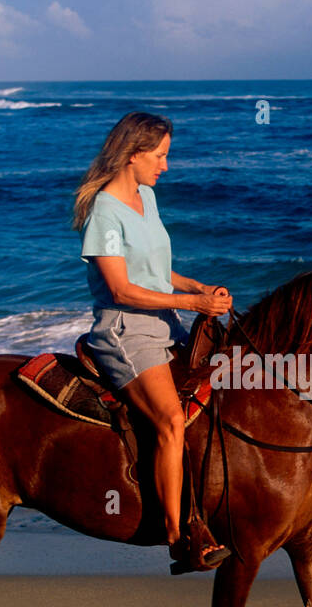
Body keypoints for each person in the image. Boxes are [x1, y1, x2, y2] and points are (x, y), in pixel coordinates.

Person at [71, 111, 233, 573]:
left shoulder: (147, 196)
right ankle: (178, 536)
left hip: (165, 321)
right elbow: (121, 289)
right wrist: (192, 303)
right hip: (125, 330)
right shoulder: (104, 210)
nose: (165, 165)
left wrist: (196, 289)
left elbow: (158, 270)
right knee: (170, 420)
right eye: (160, 156)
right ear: (133, 154)